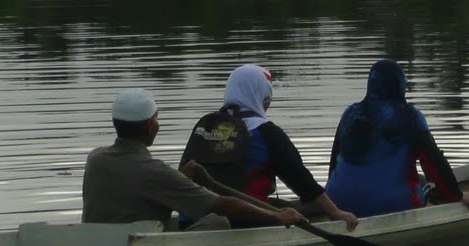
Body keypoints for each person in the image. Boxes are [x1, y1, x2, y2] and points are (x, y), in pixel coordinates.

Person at [82, 88, 303, 231]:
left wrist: (179, 178)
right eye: (156, 119)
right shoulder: (155, 171)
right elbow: (223, 204)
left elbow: (136, 186)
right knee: (218, 221)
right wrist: (277, 216)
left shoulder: (95, 158)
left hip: (98, 243)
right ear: (151, 127)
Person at [179, 64, 358, 231]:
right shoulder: (266, 133)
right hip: (246, 220)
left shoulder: (205, 126)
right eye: (268, 94)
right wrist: (336, 213)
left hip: (194, 218)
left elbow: (181, 175)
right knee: (318, 206)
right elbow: (304, 185)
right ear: (260, 95)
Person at [325, 59, 469, 218]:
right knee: (425, 183)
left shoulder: (350, 114)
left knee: (416, 178)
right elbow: (434, 162)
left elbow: (334, 163)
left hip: (336, 204)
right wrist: (456, 196)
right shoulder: (410, 116)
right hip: (387, 206)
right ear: (400, 85)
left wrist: (328, 203)